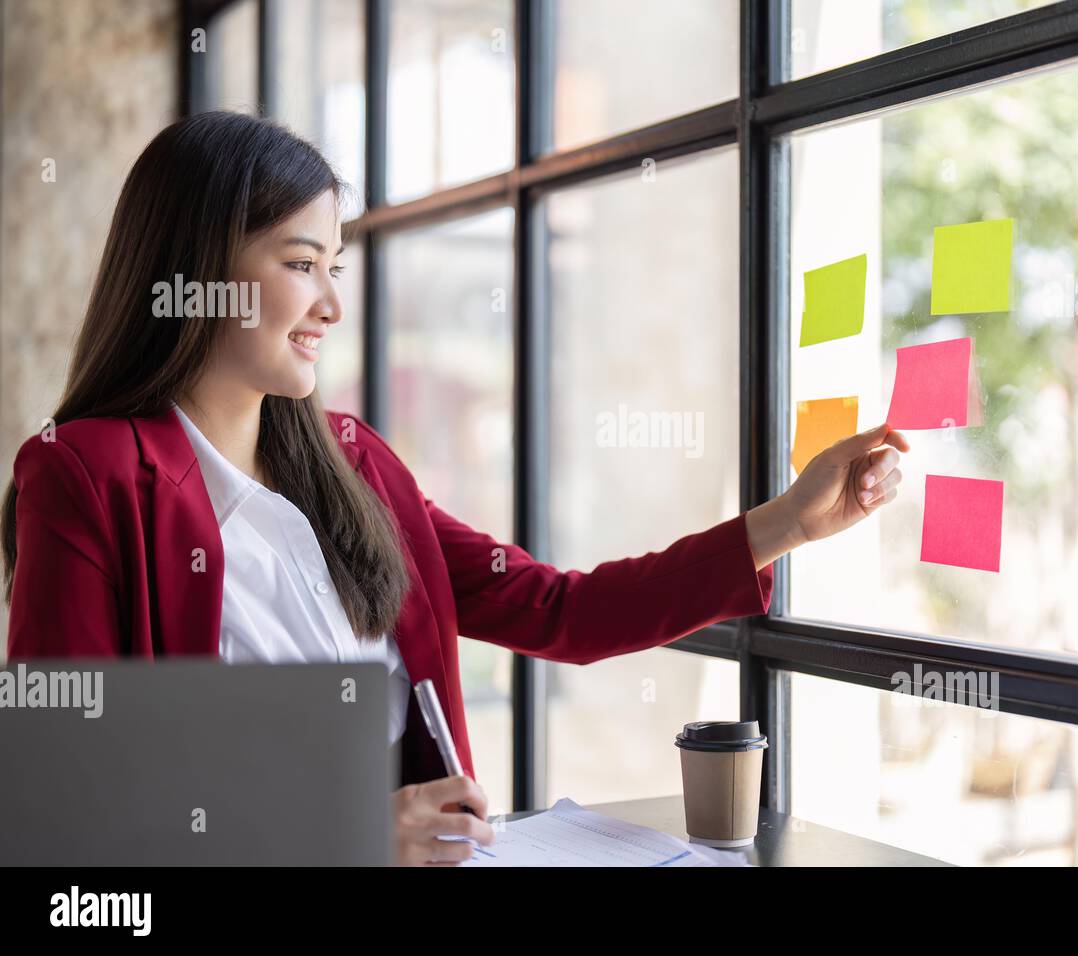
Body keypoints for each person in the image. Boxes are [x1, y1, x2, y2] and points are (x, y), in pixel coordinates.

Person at [0, 110, 907, 865]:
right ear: (194, 274)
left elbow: (561, 611)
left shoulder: (355, 466)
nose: (332, 306)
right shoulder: (87, 475)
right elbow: (67, 803)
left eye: (336, 269)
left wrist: (787, 520)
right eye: (299, 263)